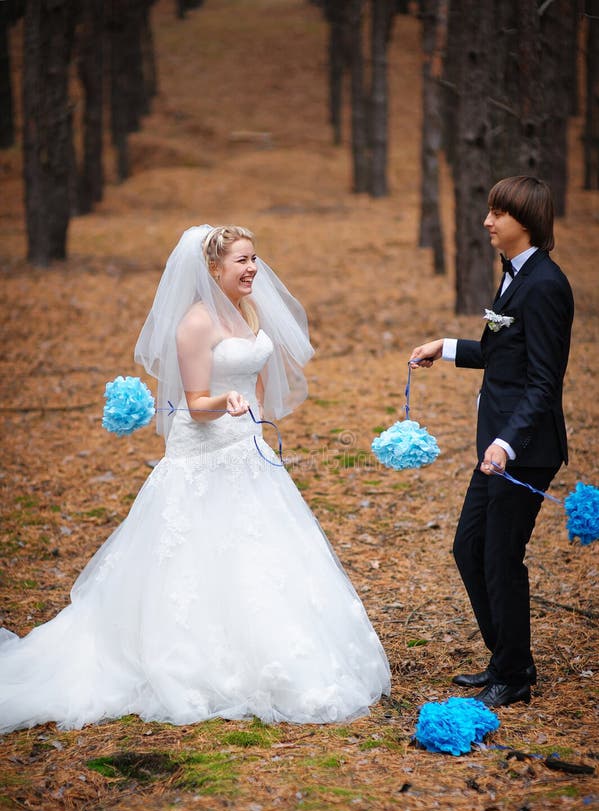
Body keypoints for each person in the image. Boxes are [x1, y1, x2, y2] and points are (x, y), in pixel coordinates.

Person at [0, 225, 390, 732]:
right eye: (241, 262)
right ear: (213, 269)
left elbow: (257, 367)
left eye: (255, 258)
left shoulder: (249, 312)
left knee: (259, 552)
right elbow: (195, 404)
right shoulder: (195, 324)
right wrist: (224, 402)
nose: (253, 269)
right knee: (196, 553)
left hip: (245, 451)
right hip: (203, 453)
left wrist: (253, 398)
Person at [410, 176, 574, 708]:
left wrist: (506, 443)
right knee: (469, 547)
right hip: (498, 449)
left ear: (523, 221)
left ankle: (515, 674)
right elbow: (499, 354)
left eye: (497, 213)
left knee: (501, 554)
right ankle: (508, 658)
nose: (487, 221)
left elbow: (544, 381)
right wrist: (447, 347)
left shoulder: (546, 284)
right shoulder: (514, 277)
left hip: (524, 450)